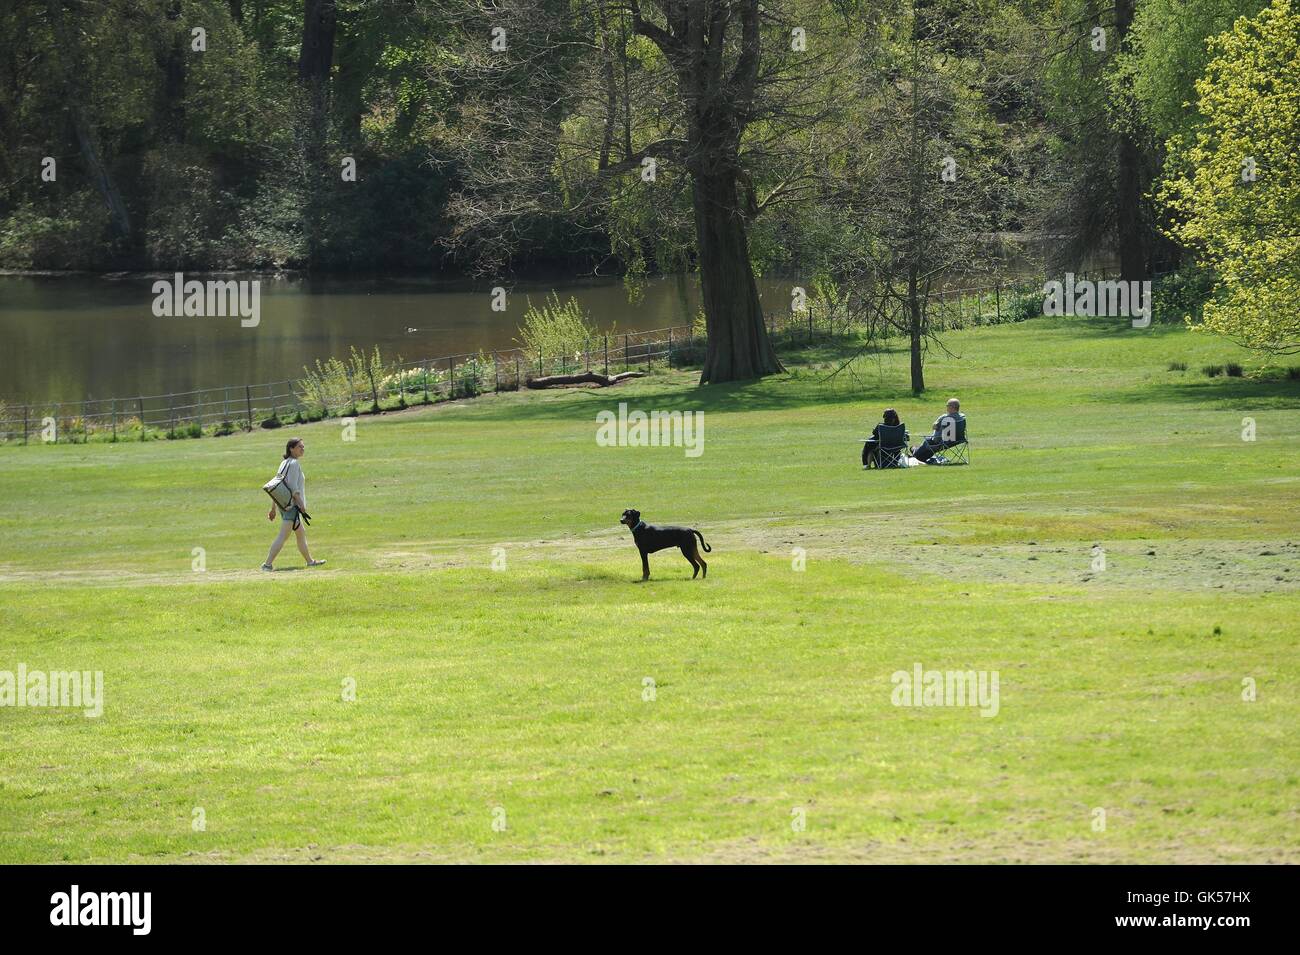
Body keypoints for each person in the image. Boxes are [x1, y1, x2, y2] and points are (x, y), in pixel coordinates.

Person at [261, 437, 325, 571]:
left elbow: (277, 485)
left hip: (284, 504)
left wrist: (273, 508)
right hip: (292, 506)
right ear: (291, 449)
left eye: (303, 446)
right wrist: (301, 504)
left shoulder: (284, 463)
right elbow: (293, 487)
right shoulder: (294, 464)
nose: (303, 449)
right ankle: (267, 565)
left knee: (301, 533)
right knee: (283, 536)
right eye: (299, 447)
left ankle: (310, 561)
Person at [912, 398, 966, 464]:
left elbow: (934, 427)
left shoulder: (945, 418)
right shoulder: (962, 417)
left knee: (927, 442)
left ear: (952, 407)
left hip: (941, 442)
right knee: (928, 446)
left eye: (947, 405)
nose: (946, 407)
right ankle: (917, 452)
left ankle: (914, 451)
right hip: (957, 440)